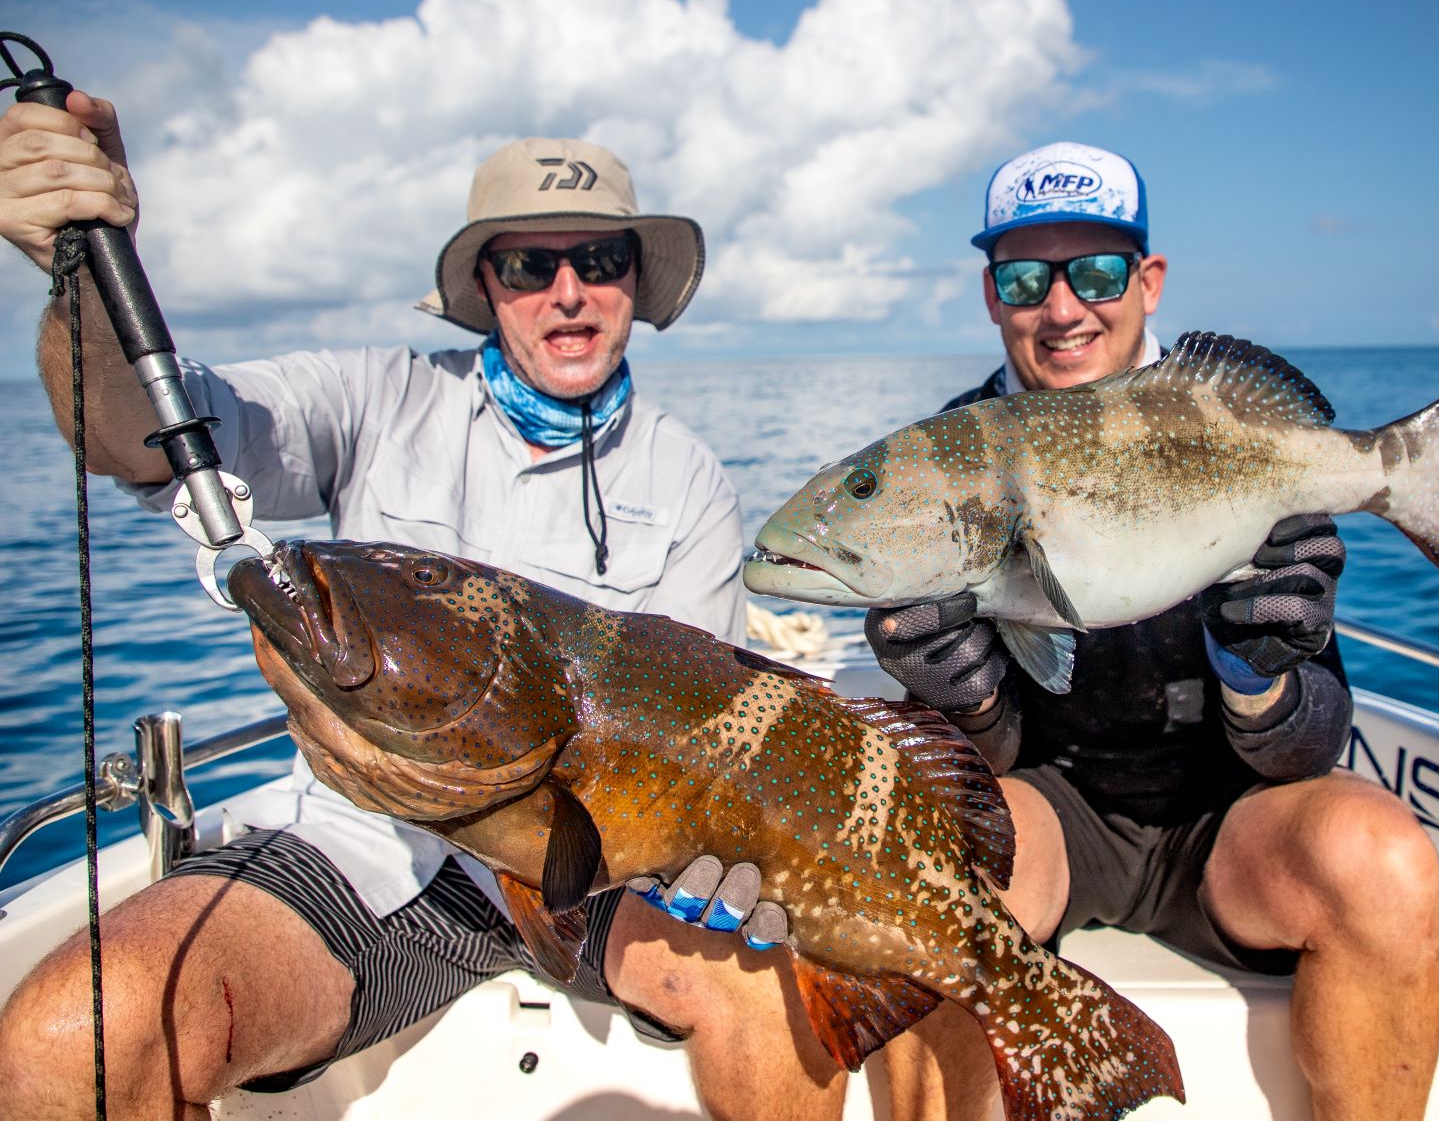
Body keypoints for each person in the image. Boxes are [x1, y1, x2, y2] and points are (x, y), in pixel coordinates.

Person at [0, 94, 837, 1119]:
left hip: (599, 865)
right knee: (81, 1027)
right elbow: (145, 433)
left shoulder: (692, 477)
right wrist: (84, 274)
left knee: (778, 992)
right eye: (530, 266)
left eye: (600, 262)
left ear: (634, 283)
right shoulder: (373, 398)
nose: (567, 294)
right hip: (365, 844)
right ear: (486, 285)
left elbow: (697, 742)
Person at [865, 142, 1439, 1120]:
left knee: (1381, 859)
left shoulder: (1232, 429)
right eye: (1024, 277)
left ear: (1147, 280)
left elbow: (1308, 746)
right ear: (989, 293)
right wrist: (958, 694)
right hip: (1052, 809)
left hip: (1224, 818)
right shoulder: (945, 461)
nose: (1061, 308)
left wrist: (1260, 678)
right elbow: (981, 763)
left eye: (1093, 272)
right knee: (926, 877)